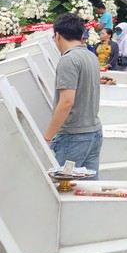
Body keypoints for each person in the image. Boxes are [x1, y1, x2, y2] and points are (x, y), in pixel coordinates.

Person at [44, 14, 103, 179]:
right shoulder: (91, 56)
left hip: (74, 136)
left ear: (57, 35)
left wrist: (47, 137)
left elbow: (67, 102)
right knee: (88, 190)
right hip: (94, 132)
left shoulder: (68, 60)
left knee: (63, 187)